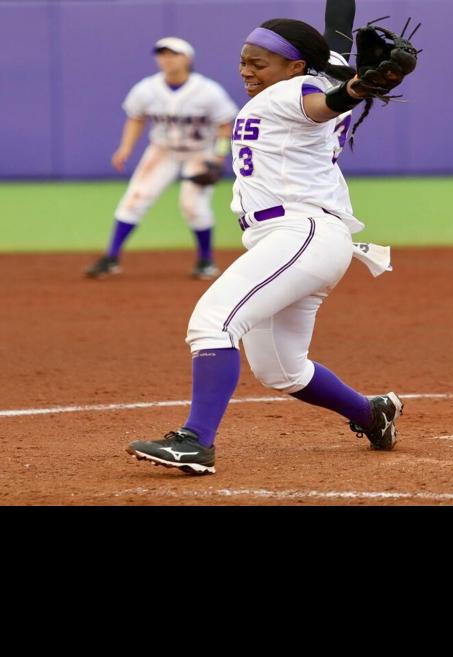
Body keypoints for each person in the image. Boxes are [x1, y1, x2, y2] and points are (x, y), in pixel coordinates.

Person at [127, 17, 412, 474]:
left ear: (294, 65)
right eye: (243, 61)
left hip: (300, 234)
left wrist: (355, 90)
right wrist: (349, 79)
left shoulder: (292, 92)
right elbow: (337, 32)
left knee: (213, 323)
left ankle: (195, 442)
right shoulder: (305, 79)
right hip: (298, 240)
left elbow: (323, 103)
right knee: (282, 370)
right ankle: (370, 412)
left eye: (259, 63)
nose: (247, 70)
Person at [85, 37, 239, 281]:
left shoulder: (208, 91)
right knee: (134, 199)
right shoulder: (146, 89)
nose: (166, 58)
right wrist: (125, 148)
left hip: (199, 151)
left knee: (193, 206)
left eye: (173, 54)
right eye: (162, 54)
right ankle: (111, 258)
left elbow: (224, 126)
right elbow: (136, 118)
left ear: (187, 58)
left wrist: (218, 158)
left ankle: (206, 260)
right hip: (162, 151)